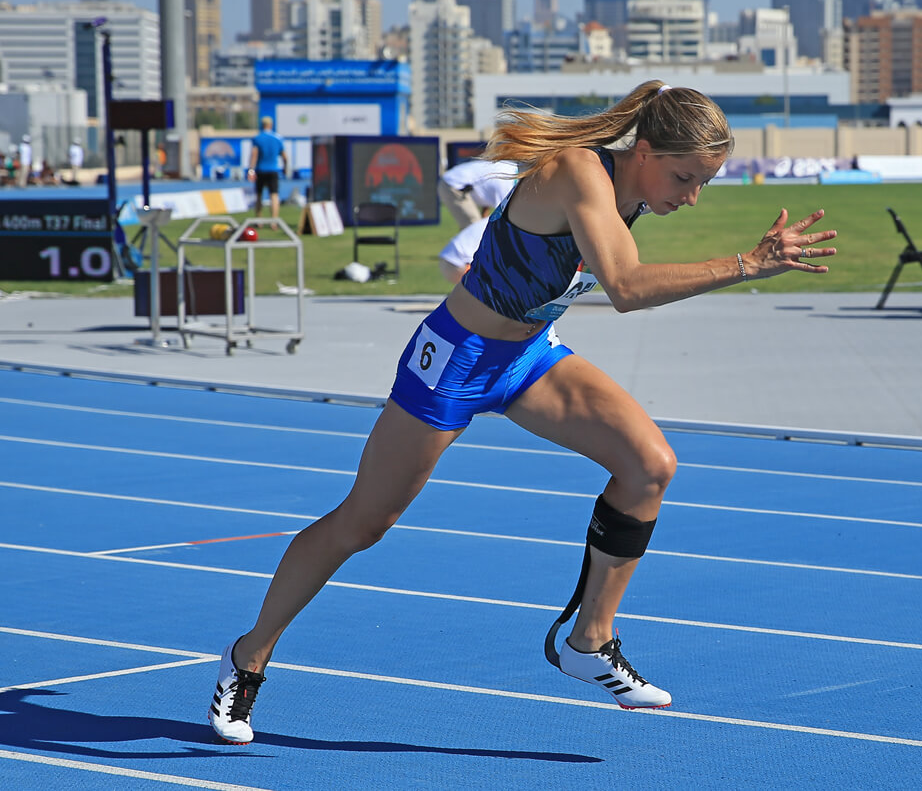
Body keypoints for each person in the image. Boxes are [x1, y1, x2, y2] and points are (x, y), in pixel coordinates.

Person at [206, 80, 838, 744]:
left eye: (703, 183)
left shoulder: (634, 188)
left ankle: (589, 638)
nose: (689, 196)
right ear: (644, 150)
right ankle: (247, 656)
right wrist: (746, 263)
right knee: (362, 523)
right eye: (684, 177)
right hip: (454, 359)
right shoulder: (577, 172)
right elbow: (623, 286)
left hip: (528, 357)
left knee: (649, 466)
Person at [436, 159, 520, 284]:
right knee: (479, 234)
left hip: (458, 182)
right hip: (453, 185)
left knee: (480, 232)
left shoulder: (512, 170)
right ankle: (470, 283)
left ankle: (471, 280)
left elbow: (487, 193)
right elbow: (503, 218)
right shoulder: (508, 181)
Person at [438, 157, 520, 230]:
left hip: (456, 180)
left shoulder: (511, 168)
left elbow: (487, 186)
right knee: (475, 229)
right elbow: (503, 218)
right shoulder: (508, 183)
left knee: (477, 229)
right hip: (454, 184)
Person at [248, 116, 287, 220]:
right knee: (274, 195)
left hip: (260, 170)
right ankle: (274, 221)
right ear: (271, 125)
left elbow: (254, 155)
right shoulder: (278, 138)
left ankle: (259, 220)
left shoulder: (258, 138)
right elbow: (285, 157)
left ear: (262, 125)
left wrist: (251, 170)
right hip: (273, 170)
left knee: (259, 195)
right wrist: (285, 168)